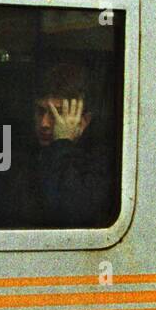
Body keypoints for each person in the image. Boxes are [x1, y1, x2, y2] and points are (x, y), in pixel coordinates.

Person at [29, 62, 113, 227]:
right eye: (40, 112)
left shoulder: (100, 160)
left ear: (84, 121)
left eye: (58, 114)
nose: (44, 123)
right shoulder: (25, 155)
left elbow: (72, 211)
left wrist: (62, 143)